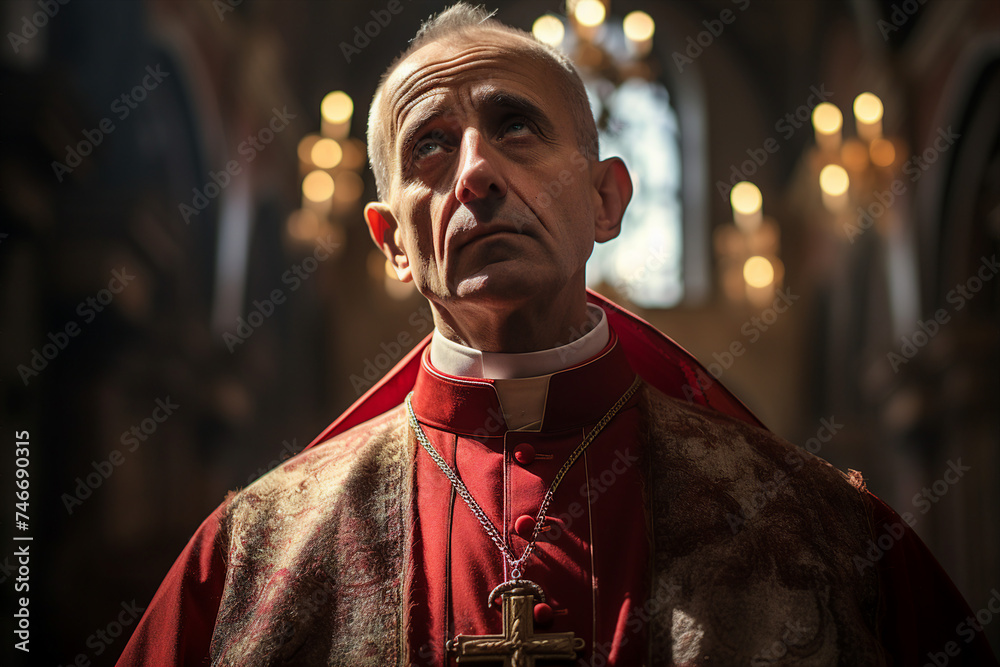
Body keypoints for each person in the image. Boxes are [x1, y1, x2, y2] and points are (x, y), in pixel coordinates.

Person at [117, 4, 998, 666]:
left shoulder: (825, 533)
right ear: (391, 243)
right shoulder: (250, 556)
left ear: (607, 199)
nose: (475, 174)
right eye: (431, 145)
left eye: (515, 125)